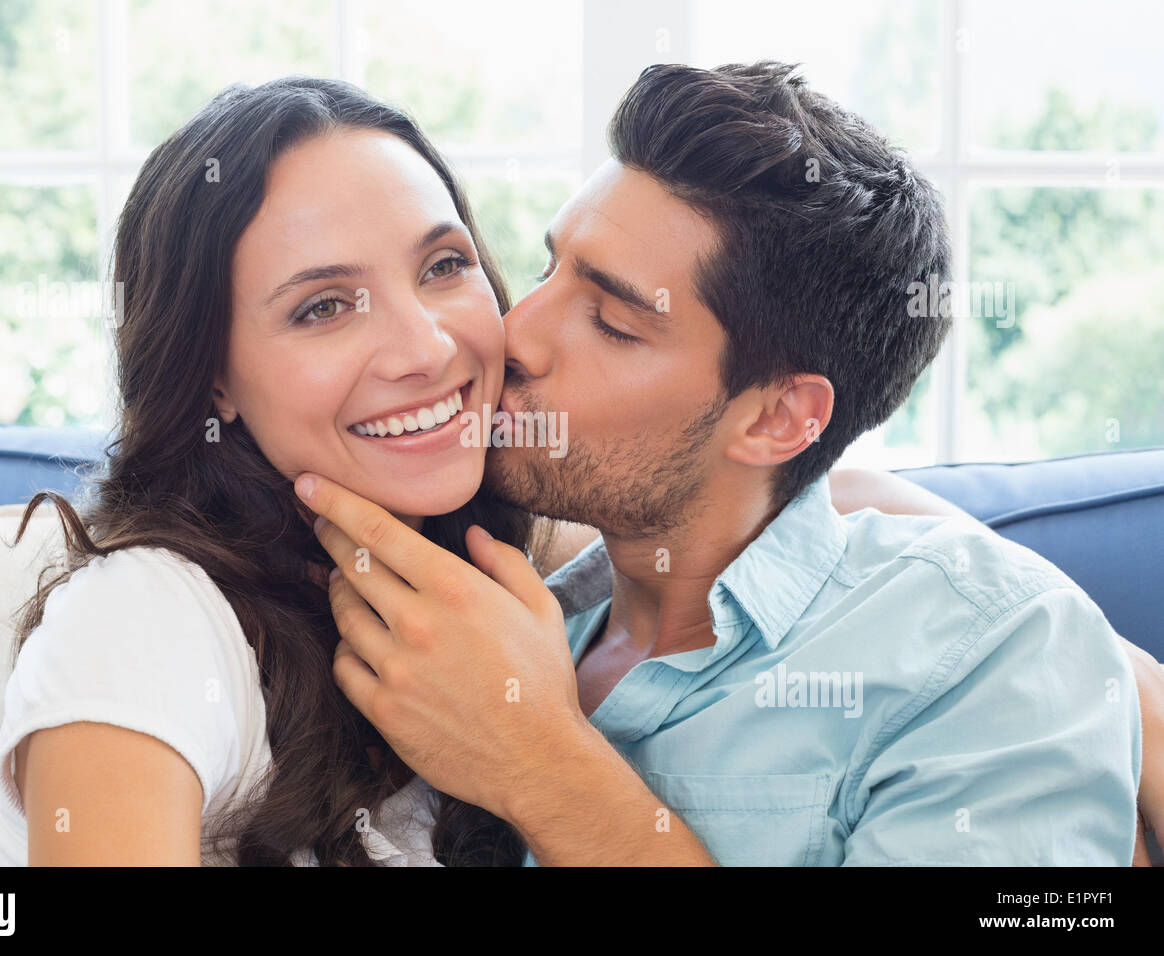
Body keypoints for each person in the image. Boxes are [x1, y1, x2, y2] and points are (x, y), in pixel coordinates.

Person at [0, 72, 960, 866]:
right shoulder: (147, 618)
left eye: (443, 266)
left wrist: (1104, 669)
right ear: (213, 378)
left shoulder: (507, 553)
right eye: (323, 306)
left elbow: (781, 497)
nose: (429, 346)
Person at [298, 62, 1155, 865]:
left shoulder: (989, 653)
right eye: (548, 268)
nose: (511, 335)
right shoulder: (487, 620)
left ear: (779, 418)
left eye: (613, 323)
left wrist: (542, 767)